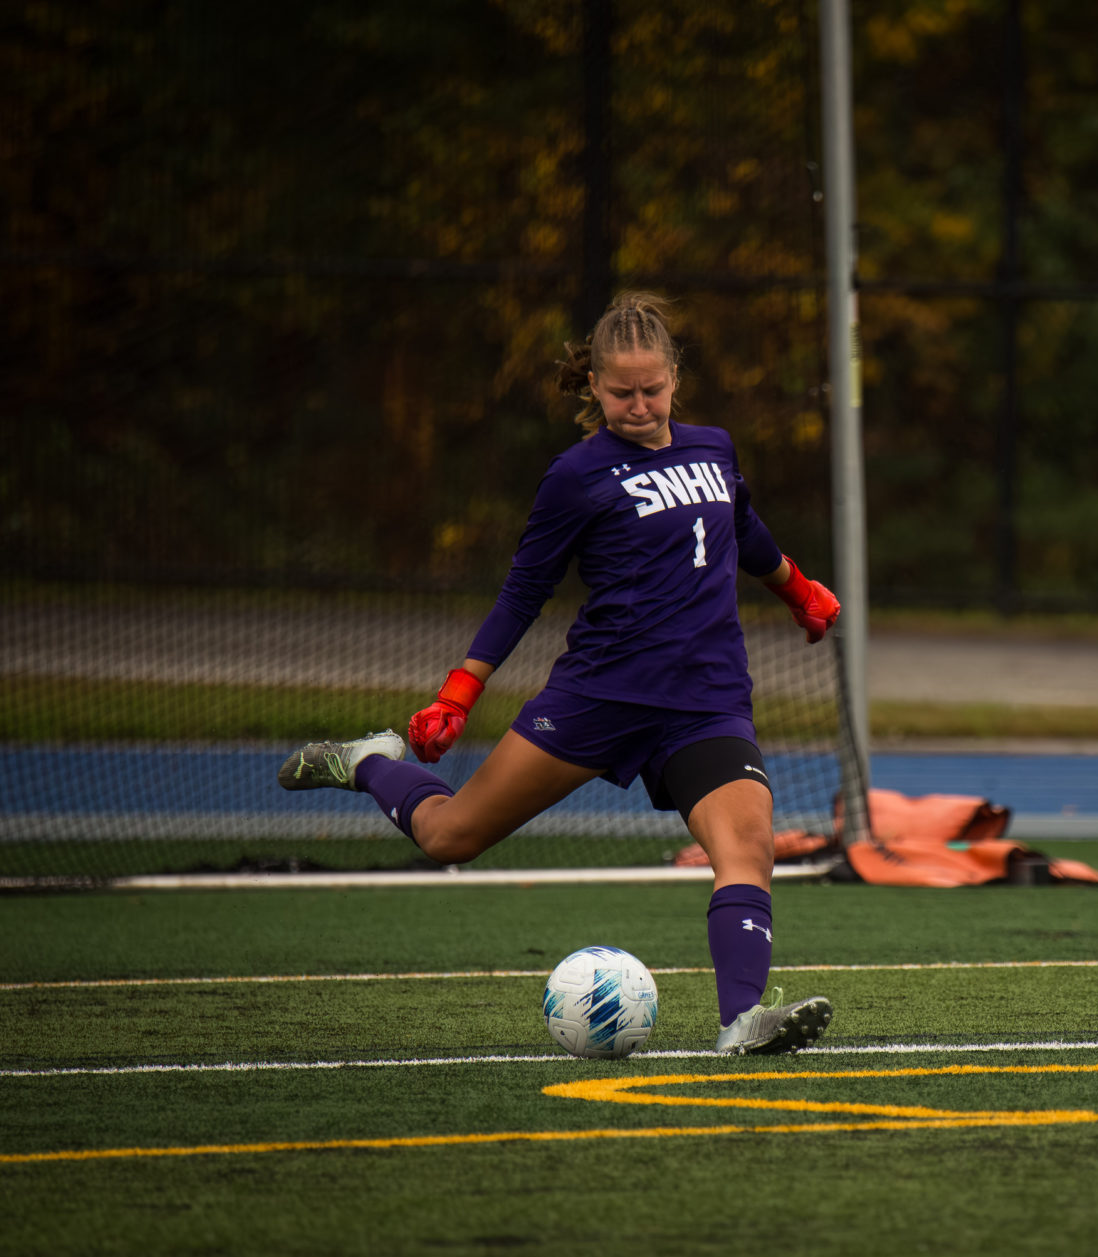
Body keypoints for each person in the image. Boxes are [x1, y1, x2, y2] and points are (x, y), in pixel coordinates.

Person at [276, 291, 843, 1057]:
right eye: (620, 392)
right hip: (598, 697)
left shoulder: (715, 447)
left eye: (652, 389)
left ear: (676, 377)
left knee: (748, 847)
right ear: (594, 387)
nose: (638, 405)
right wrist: (458, 691)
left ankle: (741, 1022)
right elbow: (523, 592)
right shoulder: (576, 475)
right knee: (450, 836)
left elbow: (742, 527)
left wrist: (799, 590)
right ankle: (371, 762)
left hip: (706, 700)